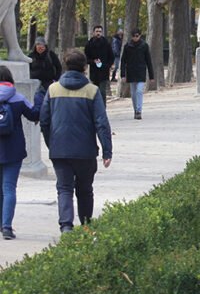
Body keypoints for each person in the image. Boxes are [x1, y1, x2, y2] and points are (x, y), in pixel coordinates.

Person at [39, 49, 113, 233]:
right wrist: (107, 150)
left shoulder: (53, 89)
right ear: (85, 67)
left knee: (64, 188)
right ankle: (86, 225)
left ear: (65, 65)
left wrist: (51, 143)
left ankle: (66, 225)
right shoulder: (92, 91)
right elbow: (101, 123)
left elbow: (44, 120)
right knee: (85, 189)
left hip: (60, 148)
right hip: (85, 150)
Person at [0, 66, 44, 239]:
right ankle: (6, 227)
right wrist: (39, 97)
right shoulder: (18, 98)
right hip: (14, 149)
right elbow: (34, 114)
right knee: (9, 188)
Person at [120, 29, 154, 119]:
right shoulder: (127, 46)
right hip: (131, 72)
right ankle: (135, 110)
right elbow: (123, 61)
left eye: (137, 36)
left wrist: (151, 76)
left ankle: (139, 110)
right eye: (134, 36)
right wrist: (123, 74)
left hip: (141, 72)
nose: (135, 38)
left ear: (140, 36)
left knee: (139, 91)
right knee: (133, 93)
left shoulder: (144, 46)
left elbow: (148, 61)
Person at [84, 25, 115, 101]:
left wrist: (108, 65)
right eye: (97, 31)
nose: (98, 33)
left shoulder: (106, 43)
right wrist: (93, 61)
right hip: (94, 71)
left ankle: (102, 106)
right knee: (95, 92)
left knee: (102, 91)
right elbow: (86, 58)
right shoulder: (89, 44)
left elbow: (111, 56)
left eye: (100, 31)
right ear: (93, 32)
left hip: (104, 71)